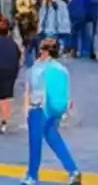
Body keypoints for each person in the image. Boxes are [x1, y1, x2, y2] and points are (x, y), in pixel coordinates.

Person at [21, 37, 81, 185]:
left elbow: (30, 89)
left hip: (38, 108)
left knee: (35, 143)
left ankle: (32, 175)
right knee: (54, 139)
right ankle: (73, 170)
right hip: (55, 110)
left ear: (44, 51)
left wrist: (26, 110)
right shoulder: (61, 69)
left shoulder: (36, 68)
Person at [0, 16, 21, 133]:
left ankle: (2, 120)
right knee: (5, 97)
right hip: (10, 72)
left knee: (0, 98)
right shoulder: (13, 44)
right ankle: (4, 120)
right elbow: (18, 56)